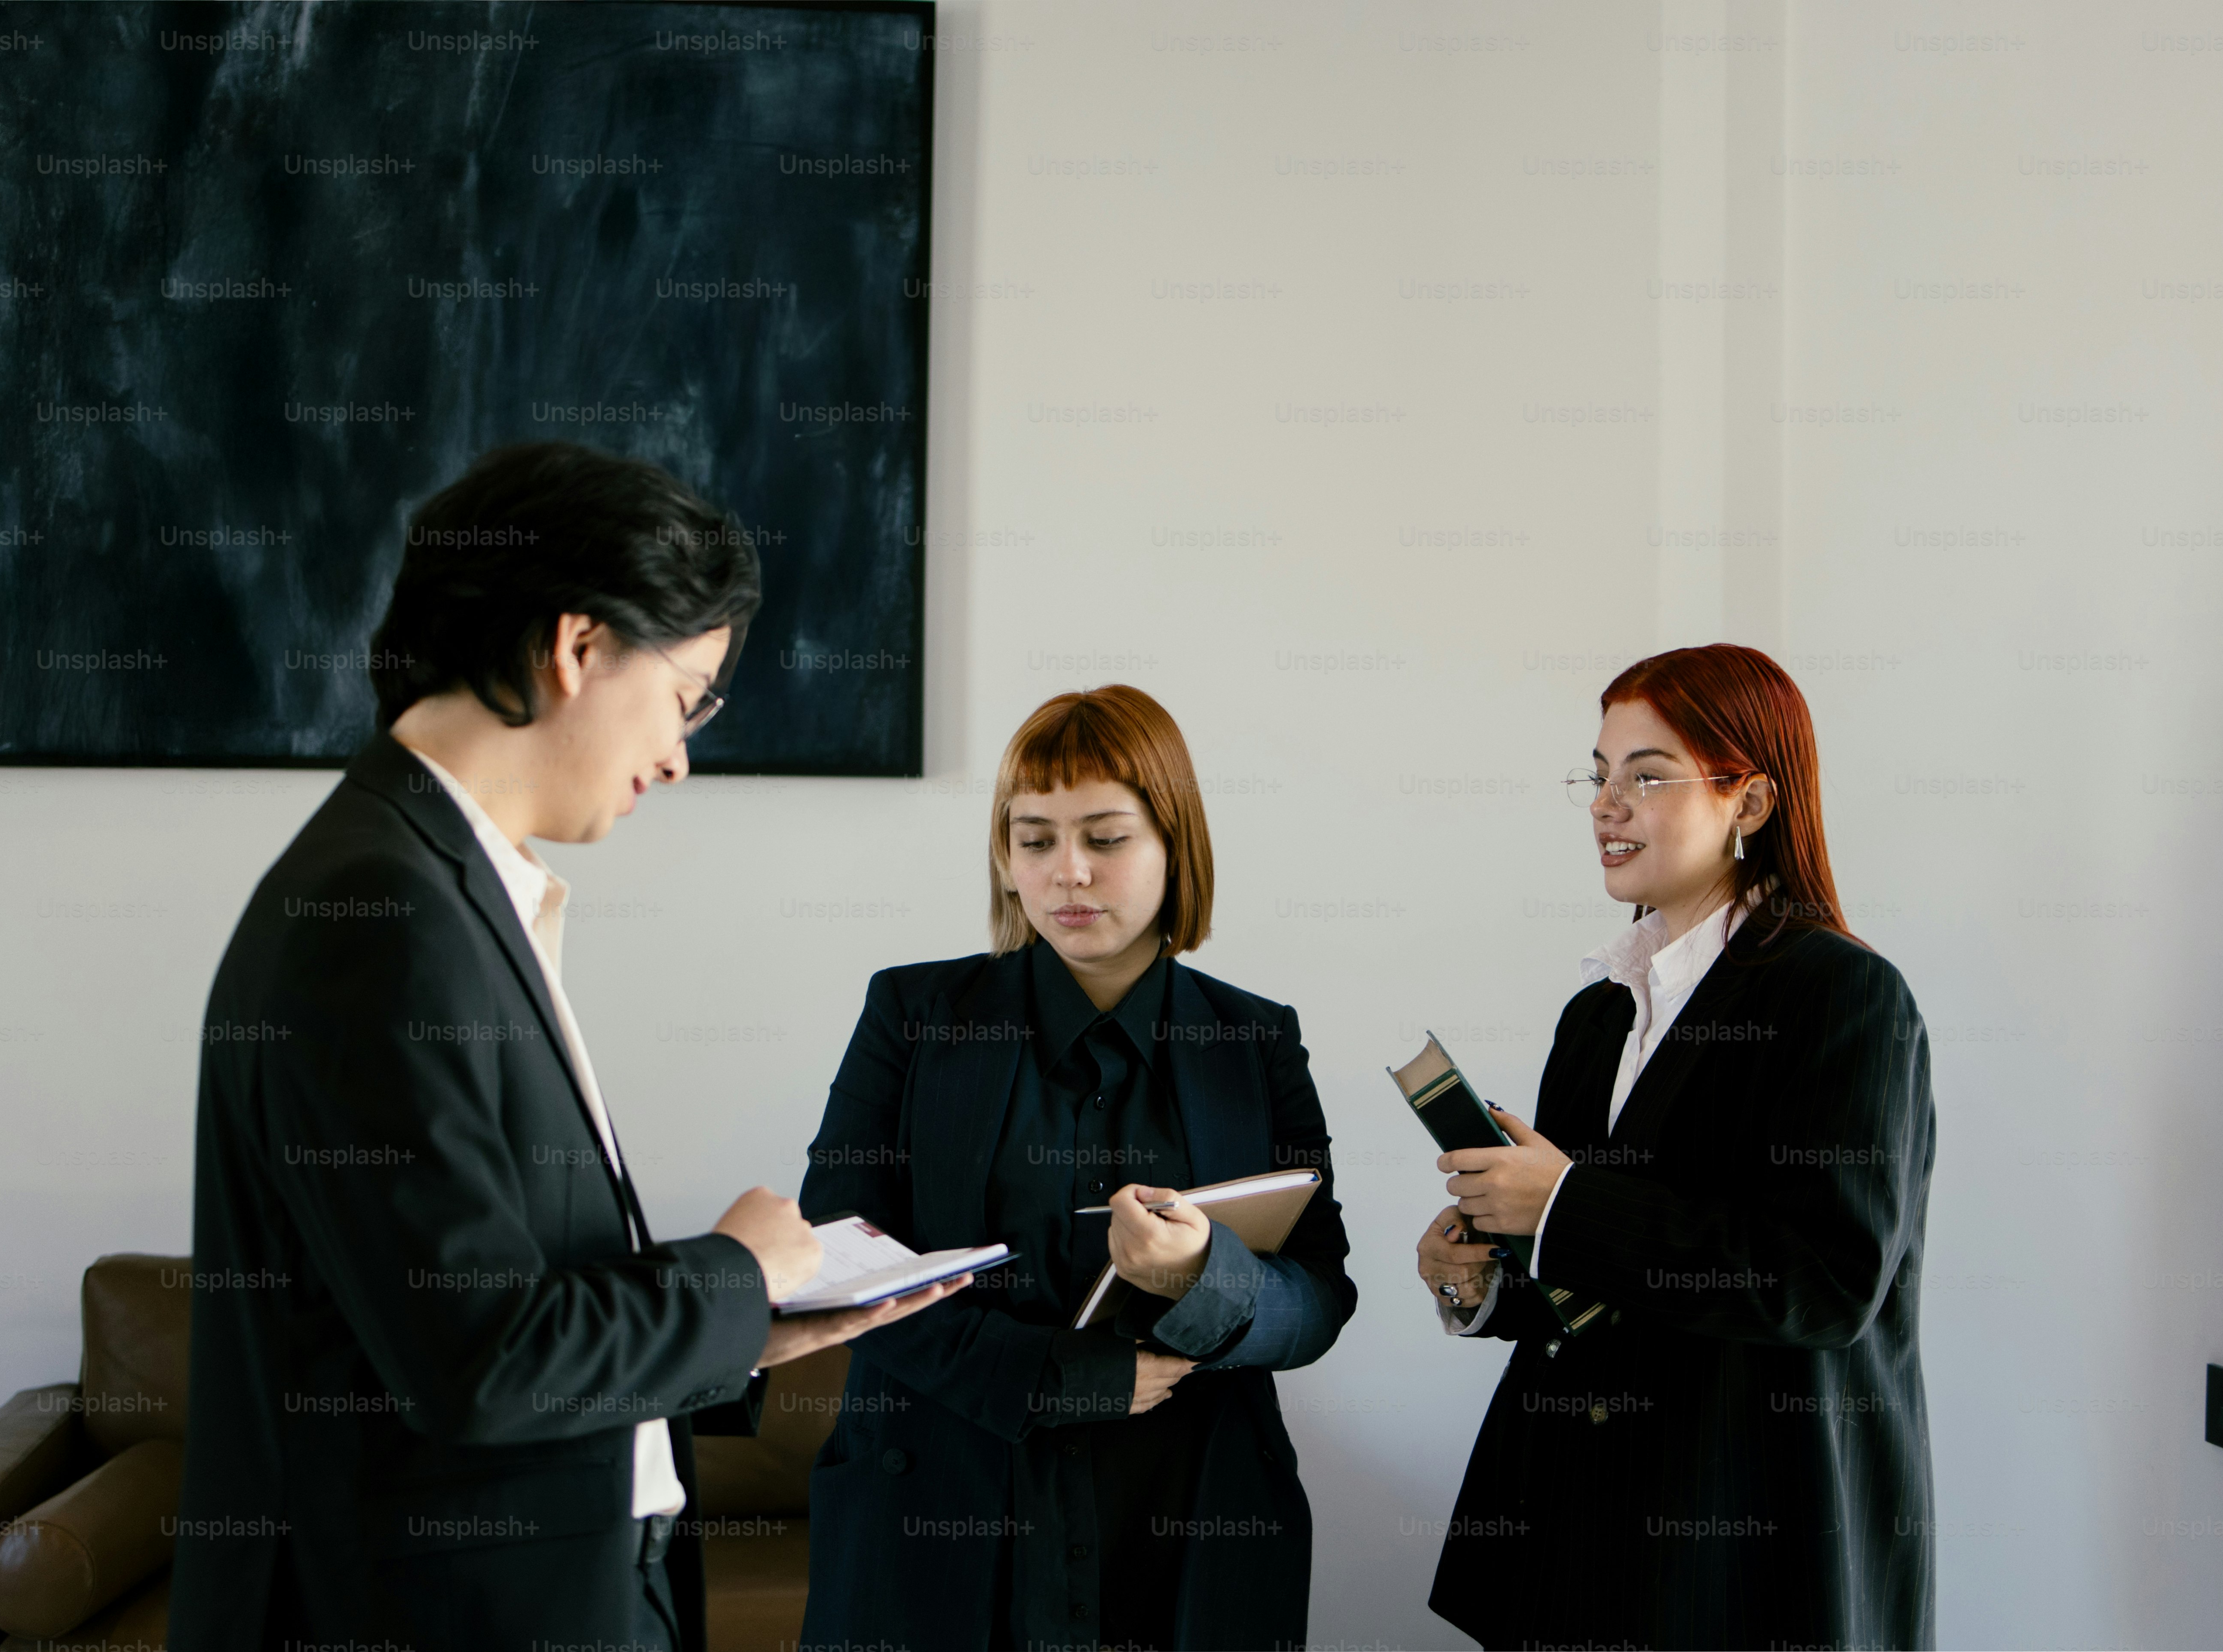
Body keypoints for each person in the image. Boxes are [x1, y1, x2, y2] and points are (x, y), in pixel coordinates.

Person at [170, 442, 962, 1652]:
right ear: (579, 646)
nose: (682, 754)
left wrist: (740, 1326)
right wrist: (732, 1274)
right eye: (688, 694)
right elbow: (482, 1354)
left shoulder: (439, 888)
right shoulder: (380, 918)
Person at [796, 684, 1356, 1652]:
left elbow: (1319, 1299)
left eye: (1106, 837)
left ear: (1175, 843)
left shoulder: (1255, 1038)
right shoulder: (912, 1013)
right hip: (939, 1499)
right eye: (1035, 837)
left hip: (1188, 1513)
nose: (1067, 873)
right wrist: (1061, 1375)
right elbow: (841, 1256)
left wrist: (1200, 1278)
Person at [1416, 643, 1935, 1650]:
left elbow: (1826, 1281)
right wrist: (1480, 1277)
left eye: (1647, 775)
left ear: (1749, 801)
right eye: (1599, 774)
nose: (1608, 804)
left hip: (1740, 1545)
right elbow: (1588, 1280)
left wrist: (1560, 1204)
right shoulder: (1597, 1013)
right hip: (1569, 1535)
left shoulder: (1845, 995)